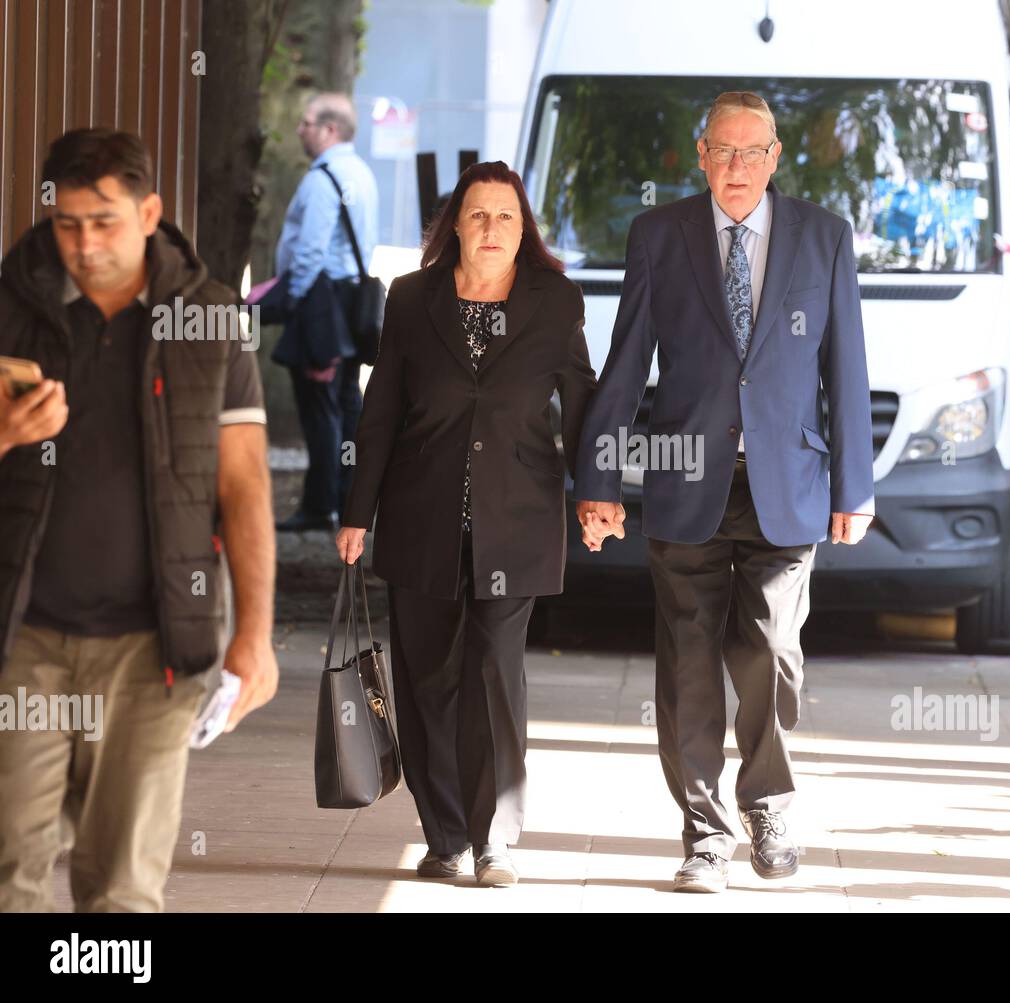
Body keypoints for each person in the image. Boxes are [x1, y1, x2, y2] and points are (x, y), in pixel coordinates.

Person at [575, 92, 876, 893]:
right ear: (699, 155)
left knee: (772, 651)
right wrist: (598, 479)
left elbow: (845, 368)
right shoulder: (658, 236)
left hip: (788, 484)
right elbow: (626, 363)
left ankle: (768, 799)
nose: (737, 168)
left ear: (776, 157)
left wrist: (856, 485)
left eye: (753, 152)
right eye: (723, 152)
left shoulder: (824, 237)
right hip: (685, 484)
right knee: (687, 665)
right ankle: (705, 833)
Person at [0, 128, 278, 911]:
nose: (85, 245)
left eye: (105, 222)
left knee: (122, 886)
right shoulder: (7, 305)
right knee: (10, 873)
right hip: (24, 642)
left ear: (150, 211)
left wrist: (252, 636)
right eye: (66, 224)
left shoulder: (213, 318)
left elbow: (245, 484)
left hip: (157, 650)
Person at [335, 161, 596, 887]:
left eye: (505, 217)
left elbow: (581, 401)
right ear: (454, 223)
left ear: (524, 228)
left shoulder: (555, 301)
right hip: (421, 518)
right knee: (425, 679)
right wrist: (358, 512)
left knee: (493, 673)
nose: (491, 229)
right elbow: (381, 408)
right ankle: (444, 833)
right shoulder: (413, 300)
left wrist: (597, 492)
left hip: (516, 521)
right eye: (478, 215)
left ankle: (494, 837)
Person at [274, 92, 380, 533]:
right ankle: (348, 500)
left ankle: (319, 506)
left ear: (330, 129)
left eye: (307, 122)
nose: (300, 129)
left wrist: (291, 300)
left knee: (319, 405)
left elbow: (310, 250)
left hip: (321, 303)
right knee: (345, 403)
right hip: (350, 302)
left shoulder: (323, 179)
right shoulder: (360, 172)